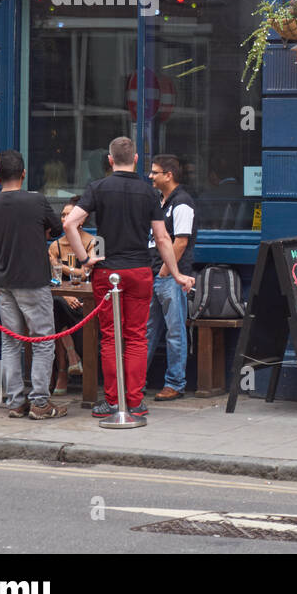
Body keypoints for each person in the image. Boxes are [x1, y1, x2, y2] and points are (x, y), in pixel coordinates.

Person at [64, 137, 194, 420]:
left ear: (110, 160)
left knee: (110, 338)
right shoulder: (148, 193)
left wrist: (85, 260)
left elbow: (69, 223)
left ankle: (113, 401)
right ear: (136, 159)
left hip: (107, 272)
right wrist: (177, 273)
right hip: (139, 272)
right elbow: (162, 238)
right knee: (136, 338)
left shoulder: (97, 187)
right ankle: (134, 402)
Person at [0, 149, 66, 420]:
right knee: (43, 341)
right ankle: (40, 403)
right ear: (23, 173)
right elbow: (57, 229)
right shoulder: (36, 201)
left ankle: (16, 402)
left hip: (5, 280)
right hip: (33, 279)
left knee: (11, 343)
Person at [145, 155, 197, 401]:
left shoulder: (182, 202)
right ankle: (136, 381)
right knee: (147, 331)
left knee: (175, 332)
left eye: (155, 172)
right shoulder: (160, 201)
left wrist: (167, 270)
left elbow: (181, 241)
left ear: (169, 174)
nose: (150, 176)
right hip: (154, 274)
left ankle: (175, 383)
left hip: (170, 277)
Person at [47, 197, 89, 392]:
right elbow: (53, 281)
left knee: (55, 310)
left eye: (69, 215)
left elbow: (90, 274)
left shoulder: (96, 242)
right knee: (55, 305)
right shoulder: (54, 246)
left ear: (81, 219)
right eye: (62, 215)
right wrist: (66, 296)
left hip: (88, 302)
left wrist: (60, 266)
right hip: (63, 300)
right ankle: (69, 363)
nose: (64, 218)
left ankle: (64, 372)